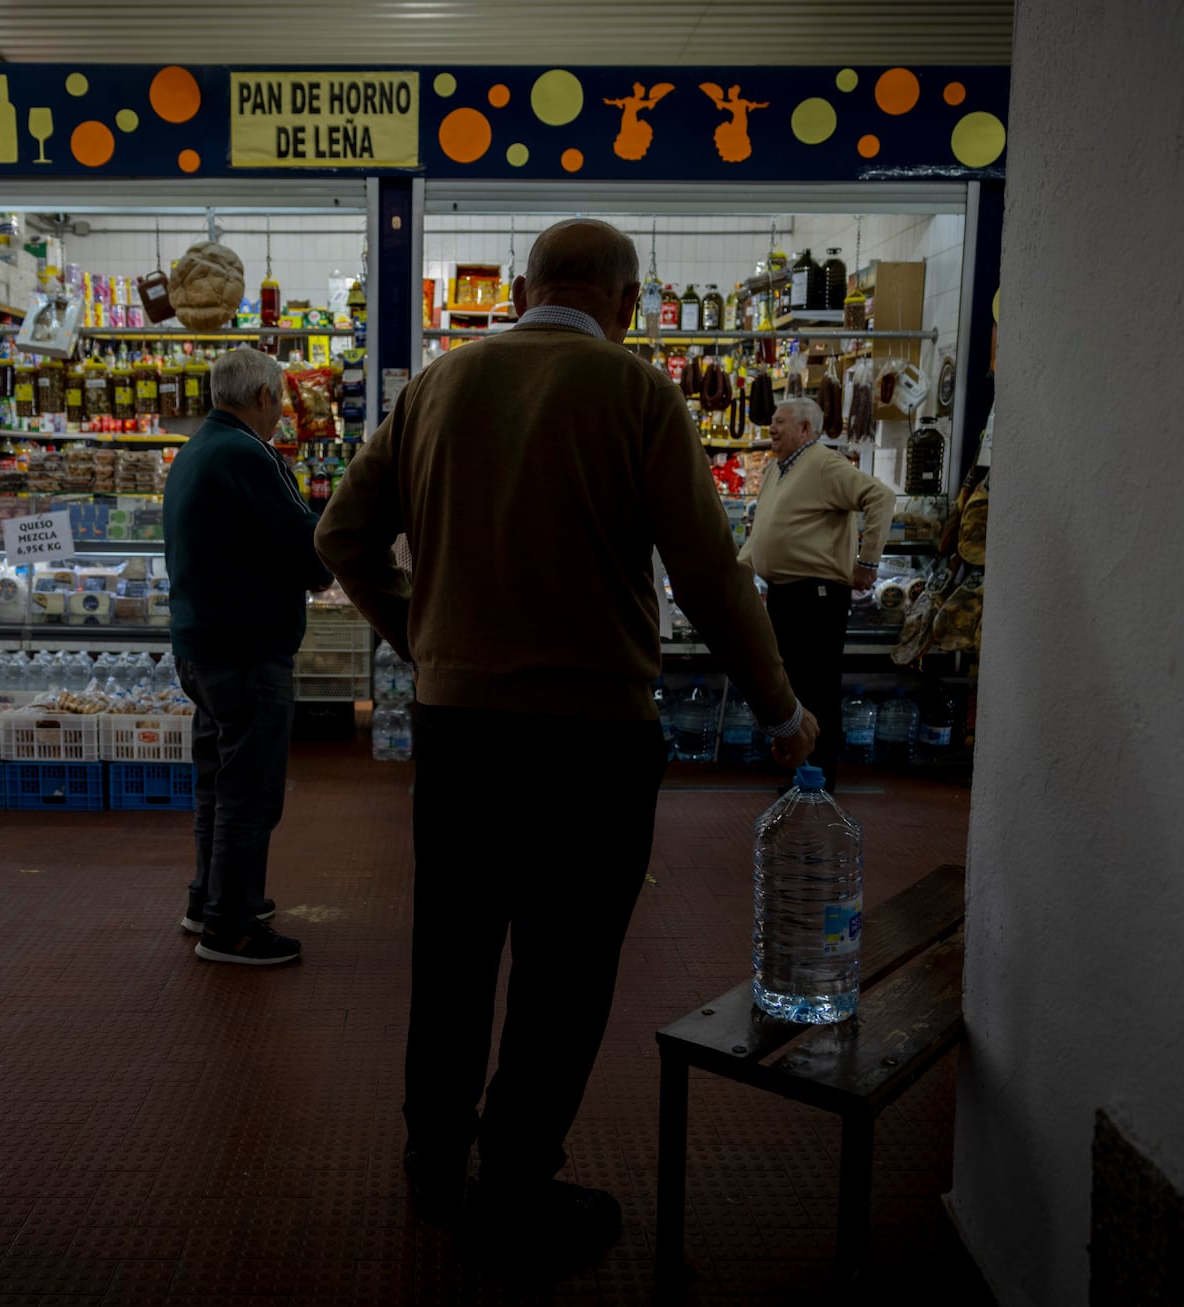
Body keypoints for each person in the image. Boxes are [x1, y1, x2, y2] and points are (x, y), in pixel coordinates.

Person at [315, 219, 818, 1260]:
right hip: (591, 738)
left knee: (450, 953)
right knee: (563, 968)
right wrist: (779, 707)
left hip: (458, 731)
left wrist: (423, 635)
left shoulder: (436, 388)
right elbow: (709, 576)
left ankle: (432, 1161)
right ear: (626, 304)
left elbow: (340, 536)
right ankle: (513, 1178)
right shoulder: (638, 393)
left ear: (522, 289)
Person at [162, 347, 332, 967]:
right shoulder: (245, 453)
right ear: (262, 396)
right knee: (249, 791)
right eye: (281, 398)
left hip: (201, 647)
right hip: (244, 651)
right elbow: (305, 547)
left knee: (215, 781)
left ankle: (210, 898)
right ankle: (230, 927)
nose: (283, 411)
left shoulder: (198, 447)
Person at [737, 396, 894, 790]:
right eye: (771, 421)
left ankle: (819, 777)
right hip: (784, 594)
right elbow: (761, 532)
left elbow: (881, 498)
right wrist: (737, 572)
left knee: (816, 687)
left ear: (806, 429)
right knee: (790, 686)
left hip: (818, 595)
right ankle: (800, 772)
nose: (771, 428)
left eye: (780, 421)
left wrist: (868, 562)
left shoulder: (825, 463)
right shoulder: (776, 469)